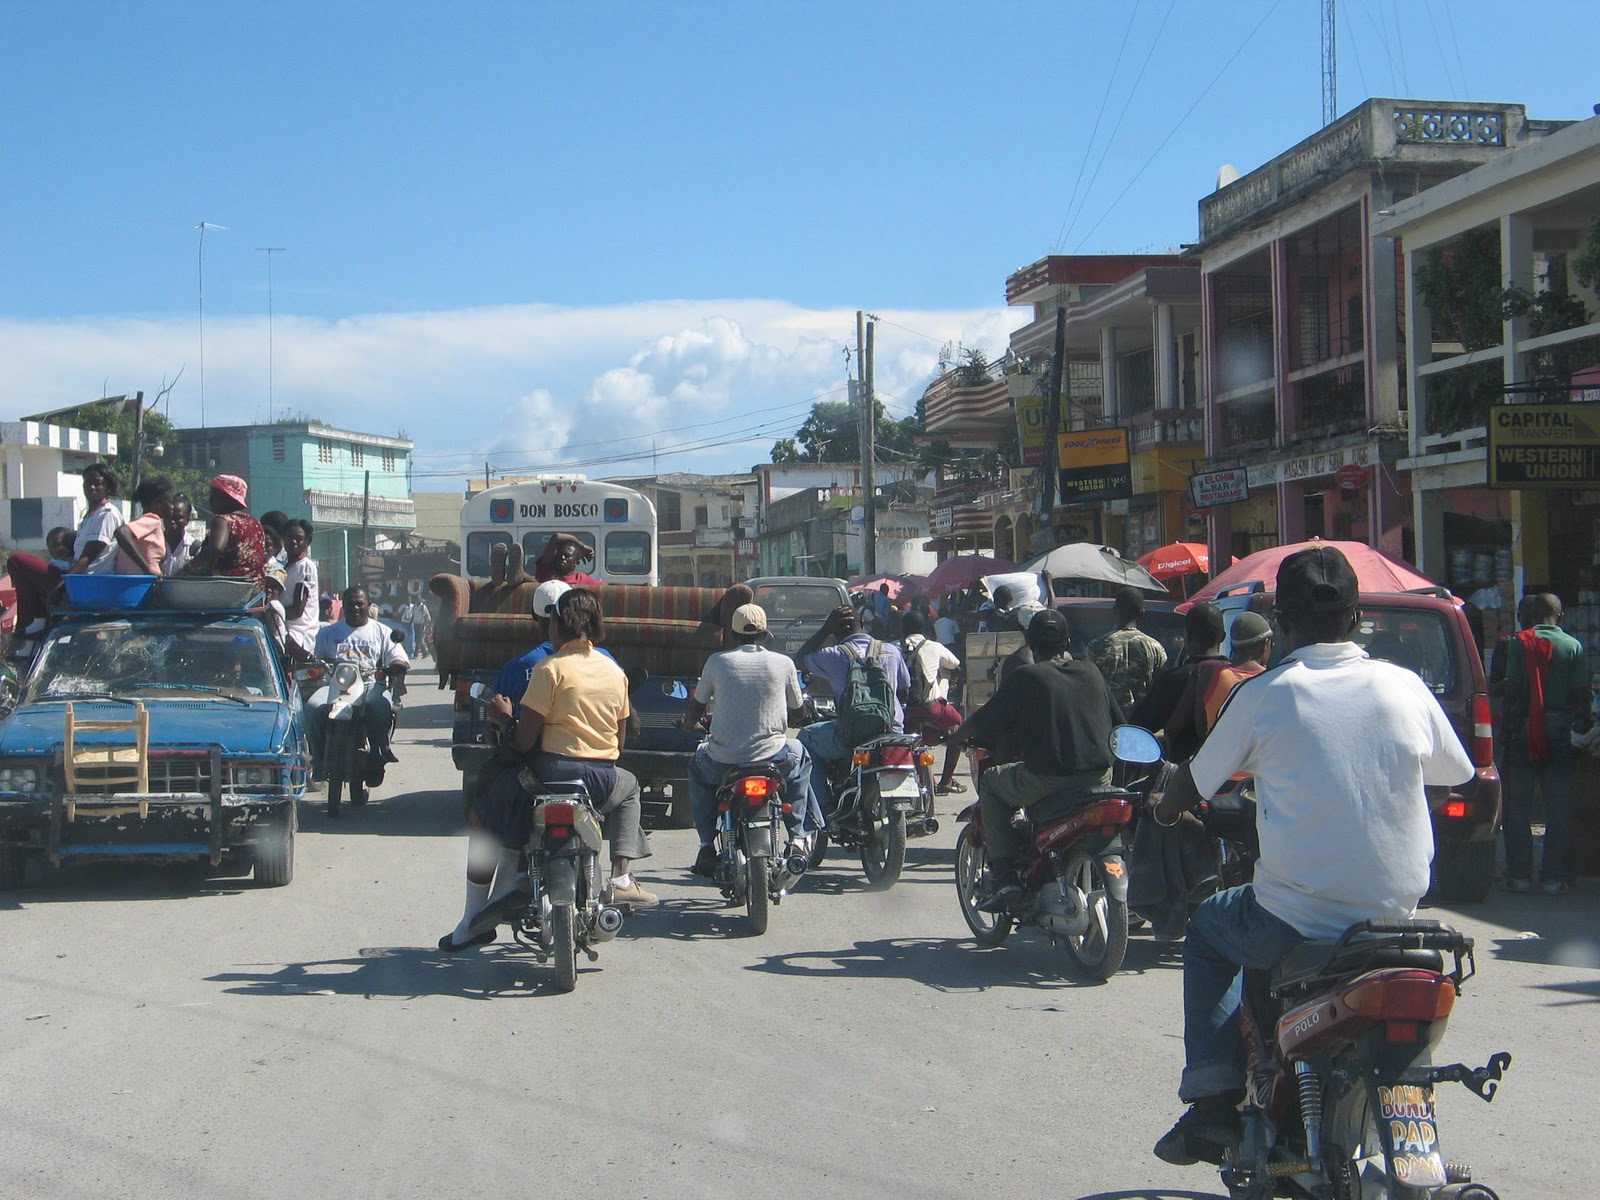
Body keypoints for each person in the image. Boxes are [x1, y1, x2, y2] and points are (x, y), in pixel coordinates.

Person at [1145, 546, 1475, 1167]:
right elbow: (1455, 772)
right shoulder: (1403, 685)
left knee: (1210, 928)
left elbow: (1193, 785)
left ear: (1283, 624)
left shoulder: (1267, 693)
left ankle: (1213, 1099)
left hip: (1297, 922)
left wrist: (1165, 807)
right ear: (1356, 620)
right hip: (1399, 921)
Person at [442, 588, 655, 950]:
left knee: (484, 818)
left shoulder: (549, 668)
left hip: (549, 776)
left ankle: (474, 918)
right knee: (630, 786)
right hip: (602, 781)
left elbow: (523, 742)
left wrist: (504, 717)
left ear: (557, 623)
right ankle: (620, 877)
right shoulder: (613, 670)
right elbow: (619, 742)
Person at [946, 609, 1122, 909]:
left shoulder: (1026, 676)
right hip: (1100, 776)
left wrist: (956, 738)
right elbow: (1119, 722)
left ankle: (1005, 876)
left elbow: (987, 718)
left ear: (1028, 641)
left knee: (990, 782)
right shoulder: (1091, 671)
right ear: (1067, 641)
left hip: (1048, 778)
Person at [682, 602, 812, 877]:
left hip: (722, 760)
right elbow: (798, 710)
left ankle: (706, 845)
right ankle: (799, 838)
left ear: (733, 633)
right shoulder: (783, 663)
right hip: (774, 757)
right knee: (801, 754)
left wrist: (689, 724)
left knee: (696, 765)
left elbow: (697, 706)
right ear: (765, 633)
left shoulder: (717, 662)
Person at [793, 603, 911, 833]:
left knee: (805, 739)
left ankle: (825, 806)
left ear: (835, 632)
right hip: (892, 732)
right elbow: (905, 689)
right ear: (864, 625)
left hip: (854, 735)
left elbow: (799, 660)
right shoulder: (891, 650)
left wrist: (824, 630)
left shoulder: (835, 655)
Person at [1499, 592, 1588, 894]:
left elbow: (1510, 688)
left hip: (1524, 729)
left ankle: (1520, 876)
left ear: (1532, 614)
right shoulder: (1573, 646)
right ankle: (1553, 878)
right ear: (1559, 615)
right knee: (1557, 807)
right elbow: (1580, 694)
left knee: (1519, 806)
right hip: (1560, 729)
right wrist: (1582, 722)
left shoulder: (1517, 642)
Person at [6, 462, 125, 640]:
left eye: (98, 483)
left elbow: (87, 557)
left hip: (85, 582)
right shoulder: (91, 514)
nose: (91, 487)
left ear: (108, 486)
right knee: (29, 579)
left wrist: (61, 587)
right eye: (87, 482)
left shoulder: (107, 514)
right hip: (76, 577)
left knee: (17, 561)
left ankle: (33, 623)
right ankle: (35, 623)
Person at [305, 585, 409, 787]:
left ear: (369, 606)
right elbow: (315, 660)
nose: (355, 608)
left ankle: (379, 754)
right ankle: (317, 761)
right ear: (343, 606)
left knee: (380, 708)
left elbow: (399, 658)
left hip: (371, 685)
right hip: (333, 687)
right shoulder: (328, 633)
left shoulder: (382, 632)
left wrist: (396, 666)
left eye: (359, 604)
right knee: (312, 708)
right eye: (350, 604)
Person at [1128, 603, 1227, 763]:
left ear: (1186, 637)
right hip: (1237, 776)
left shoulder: (1173, 679)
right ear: (1223, 636)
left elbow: (1137, 729)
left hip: (1185, 776)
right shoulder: (1239, 678)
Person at [900, 612, 967, 795]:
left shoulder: (893, 647)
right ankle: (946, 780)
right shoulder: (934, 647)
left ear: (902, 629)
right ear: (925, 629)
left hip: (902, 712)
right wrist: (952, 680)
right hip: (931, 709)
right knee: (958, 725)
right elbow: (956, 664)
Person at [1191, 612, 1274, 743]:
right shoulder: (1272, 680)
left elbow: (1201, 729)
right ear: (1264, 645)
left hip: (1216, 758)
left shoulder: (1210, 675)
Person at [1089, 585, 1169, 710]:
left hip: (1108, 717)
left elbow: (1088, 685)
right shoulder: (1156, 647)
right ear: (1142, 613)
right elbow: (1161, 689)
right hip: (1142, 720)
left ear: (1115, 611)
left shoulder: (1097, 645)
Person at [184, 475, 267, 585]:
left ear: (228, 498)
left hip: (228, 587)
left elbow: (216, 548)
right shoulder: (255, 523)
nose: (210, 500)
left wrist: (188, 567)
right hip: (256, 587)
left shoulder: (223, 520)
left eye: (214, 495)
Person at [112, 476, 174, 576]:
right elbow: (121, 532)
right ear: (157, 502)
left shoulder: (143, 525)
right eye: (170, 501)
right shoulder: (152, 520)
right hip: (141, 585)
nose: (172, 506)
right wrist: (146, 568)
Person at [280, 519, 319, 659]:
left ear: (308, 541)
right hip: (286, 630)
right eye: (290, 537)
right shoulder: (287, 566)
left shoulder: (305, 566)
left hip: (298, 636)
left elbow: (297, 611)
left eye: (299, 539)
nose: (294, 542)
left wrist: (269, 611)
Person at [532, 532, 603, 586]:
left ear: (577, 562)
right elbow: (556, 537)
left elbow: (604, 588)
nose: (562, 558)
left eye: (567, 556)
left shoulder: (582, 579)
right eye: (560, 555)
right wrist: (582, 546)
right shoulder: (545, 570)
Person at [162, 493, 198, 576]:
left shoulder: (194, 548)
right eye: (168, 516)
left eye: (177, 518)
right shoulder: (154, 545)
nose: (172, 521)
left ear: (187, 519)